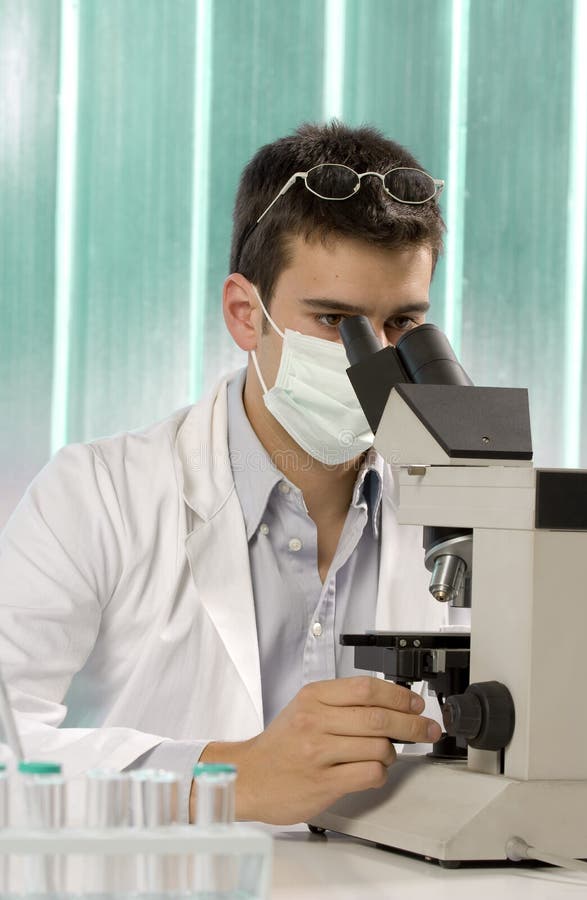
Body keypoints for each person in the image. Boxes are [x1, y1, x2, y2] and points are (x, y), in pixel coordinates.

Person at [0, 121, 453, 826]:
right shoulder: (94, 498)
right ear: (247, 313)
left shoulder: (466, 514)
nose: (373, 359)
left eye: (401, 326)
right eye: (336, 321)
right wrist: (222, 780)